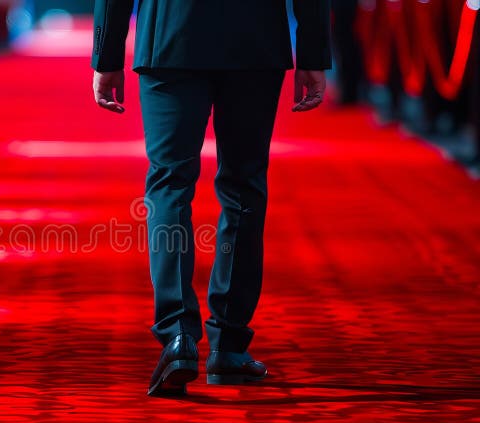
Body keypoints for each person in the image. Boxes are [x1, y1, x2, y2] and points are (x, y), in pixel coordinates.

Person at [91, 0, 332, 396]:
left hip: (169, 34)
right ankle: (229, 344)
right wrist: (313, 50)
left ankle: (177, 336)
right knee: (244, 185)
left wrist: (106, 53)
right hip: (255, 39)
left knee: (170, 184)